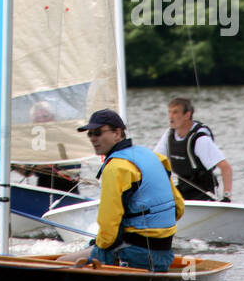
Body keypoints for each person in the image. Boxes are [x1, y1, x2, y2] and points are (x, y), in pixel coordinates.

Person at [74, 109, 184, 272]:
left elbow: (109, 229)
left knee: (66, 260)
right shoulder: (153, 156)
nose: (93, 138)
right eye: (89, 134)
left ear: (117, 133)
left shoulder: (116, 167)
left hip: (133, 255)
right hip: (164, 253)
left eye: (97, 132)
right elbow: (179, 208)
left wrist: (99, 245)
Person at [153, 97, 234, 202]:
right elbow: (154, 160)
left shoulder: (200, 139)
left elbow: (226, 168)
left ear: (187, 115)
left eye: (175, 112)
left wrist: (227, 197)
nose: (170, 117)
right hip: (183, 189)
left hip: (204, 193)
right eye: (169, 112)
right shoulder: (169, 135)